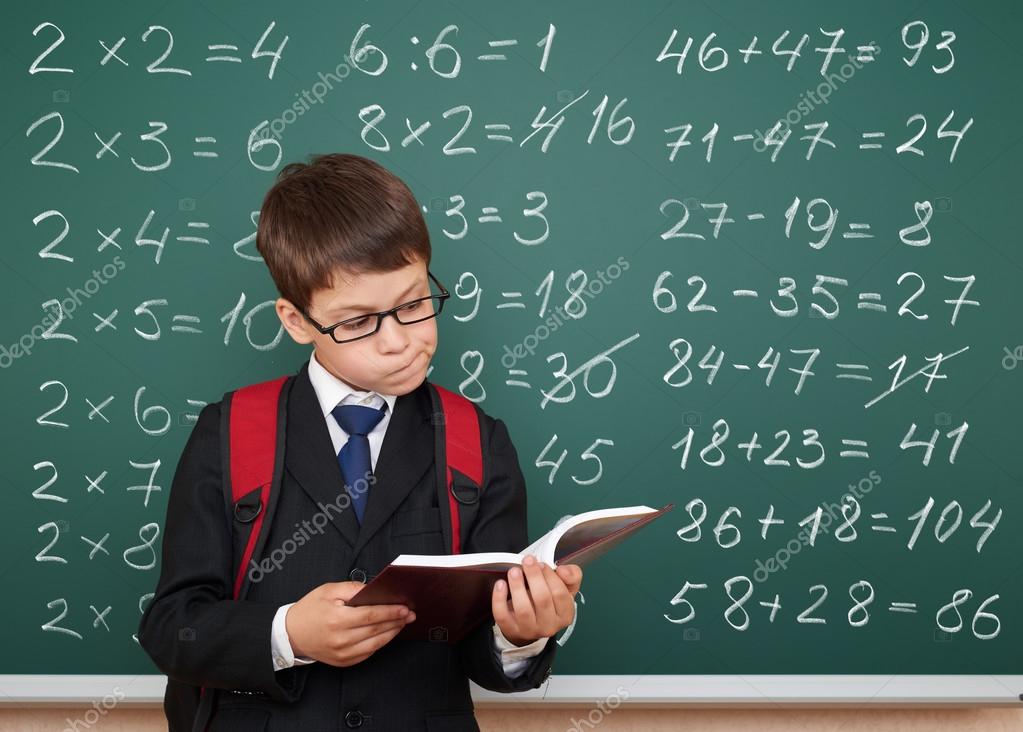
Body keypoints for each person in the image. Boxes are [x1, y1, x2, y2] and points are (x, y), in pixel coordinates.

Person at [138, 152, 583, 731]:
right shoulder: (228, 433)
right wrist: (286, 633)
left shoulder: (479, 442)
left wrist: (519, 632)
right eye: (356, 322)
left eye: (414, 304)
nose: (397, 342)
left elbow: (483, 655)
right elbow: (172, 626)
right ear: (297, 321)